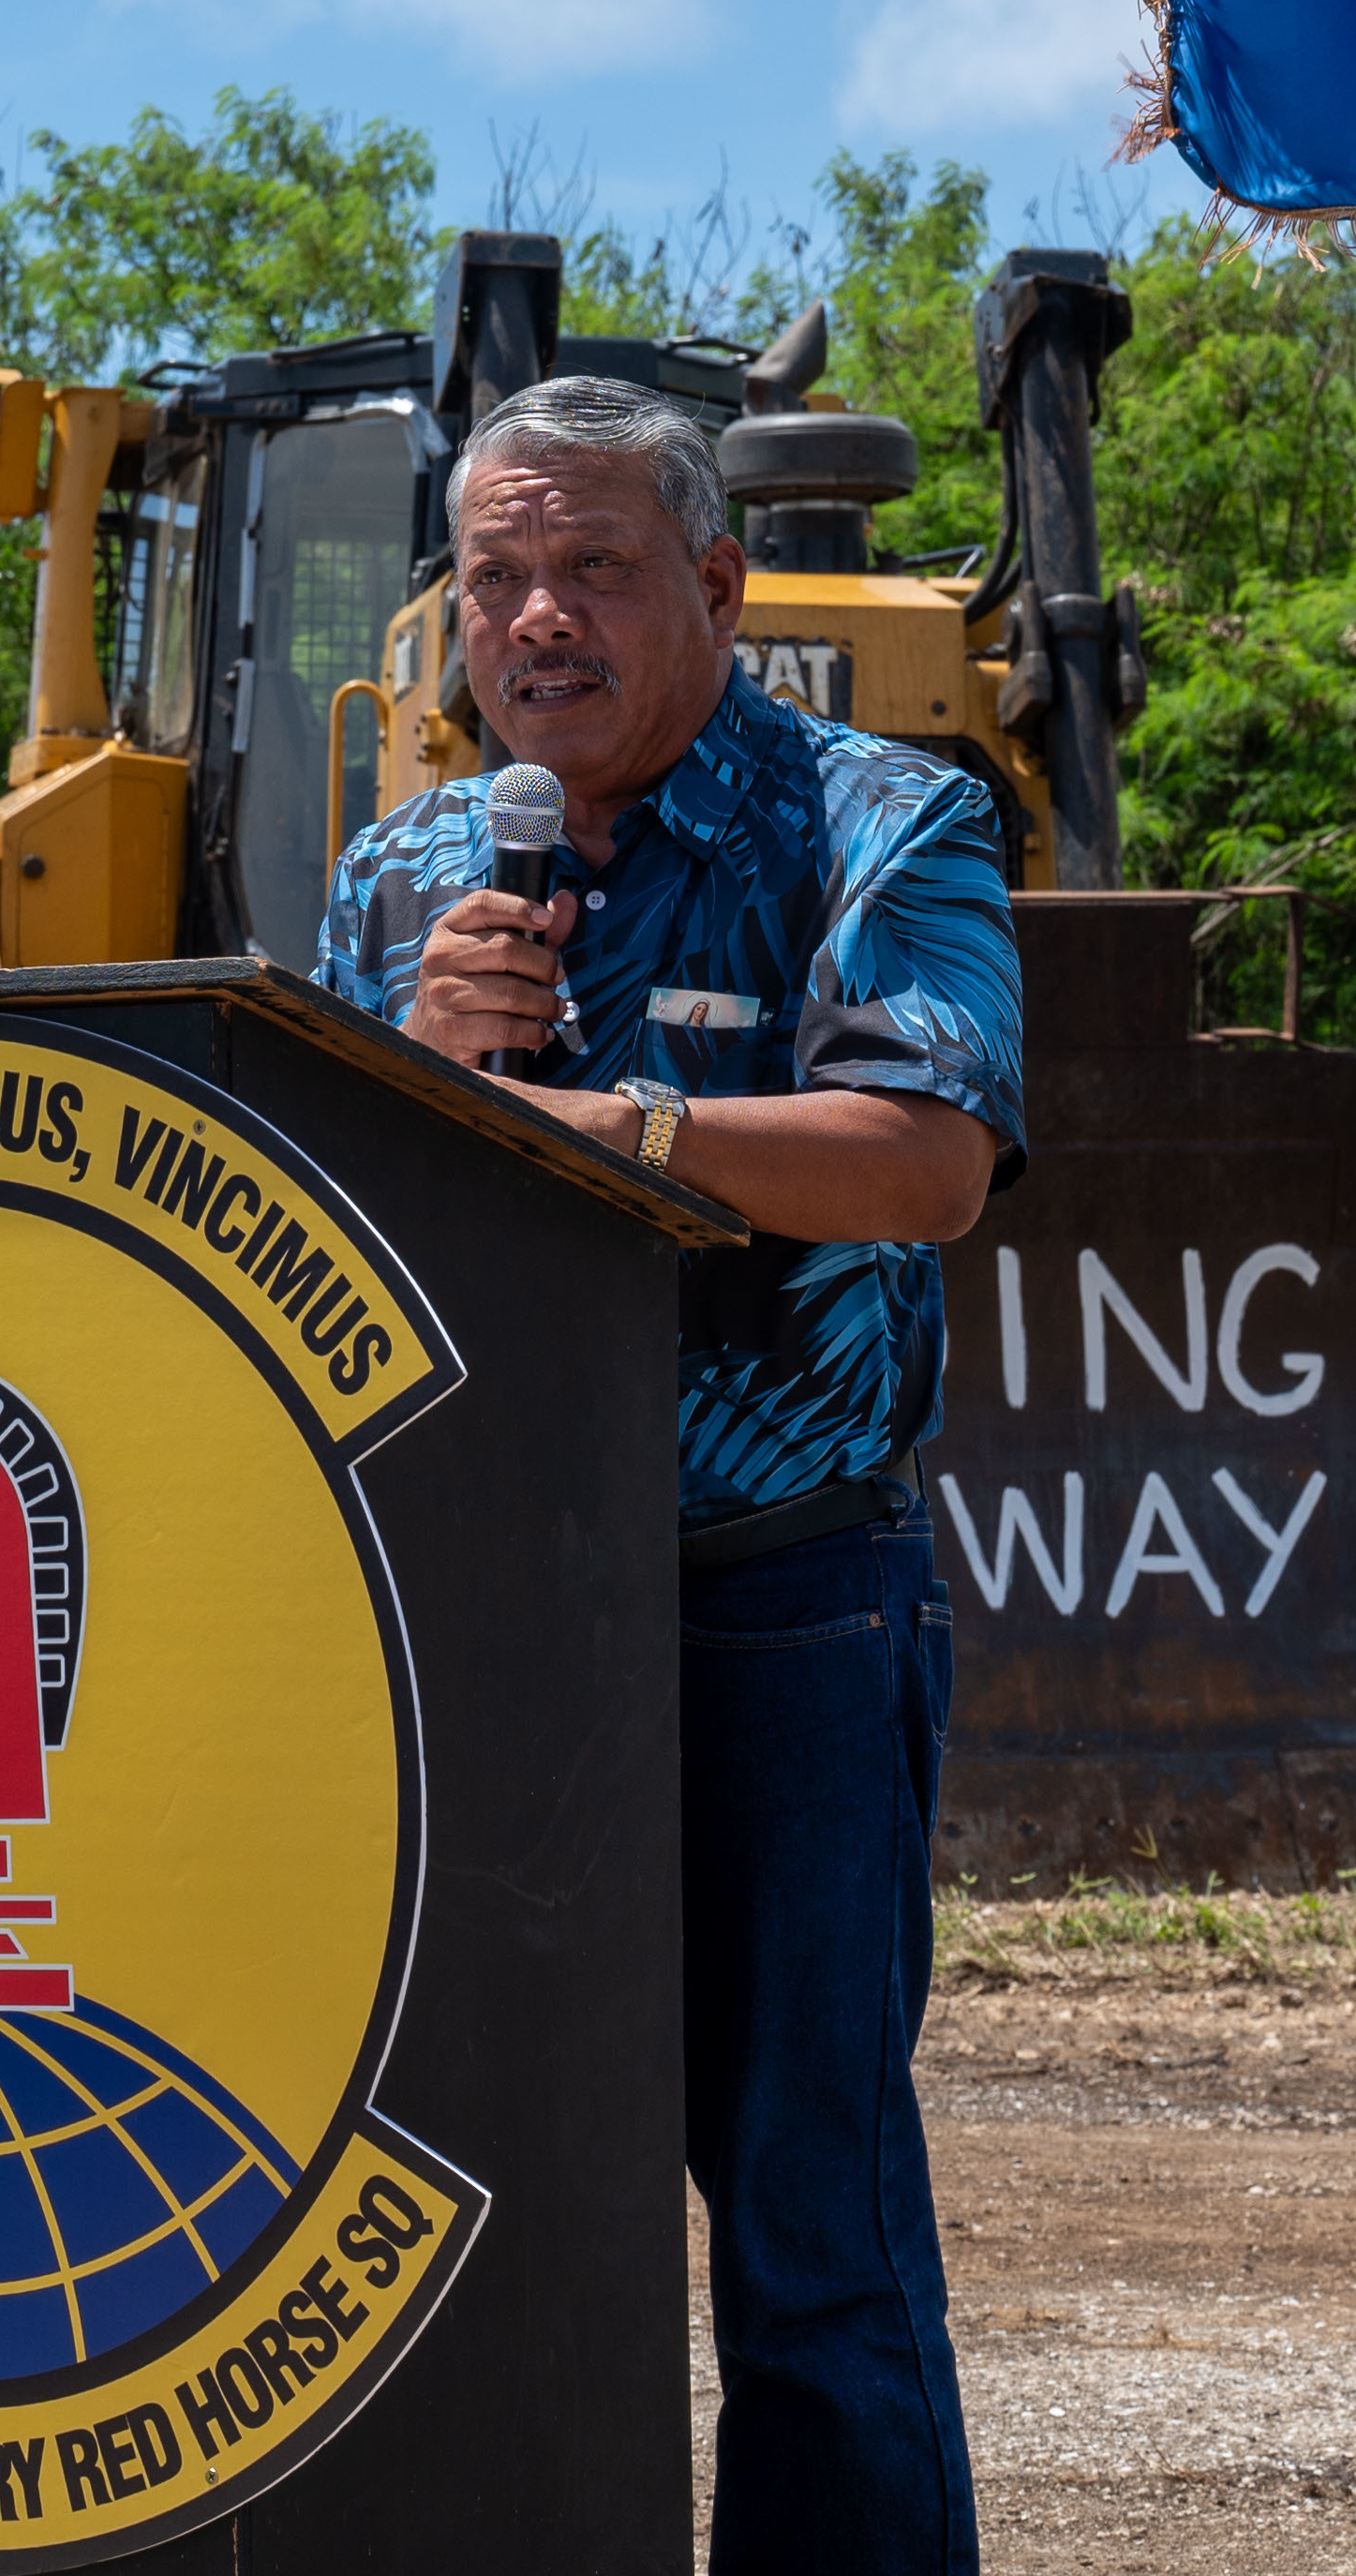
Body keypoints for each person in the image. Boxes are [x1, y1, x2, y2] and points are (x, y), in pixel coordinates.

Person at [315, 370, 1012, 2576]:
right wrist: (419, 1079)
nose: (539, 619)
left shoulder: (879, 817)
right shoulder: (405, 871)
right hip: (471, 1625)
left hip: (783, 1610)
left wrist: (622, 1131)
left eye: (598, 565)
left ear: (718, 579)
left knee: (809, 2220)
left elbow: (928, 1161)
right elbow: (322, 1249)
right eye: (497, 575)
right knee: (464, 2177)